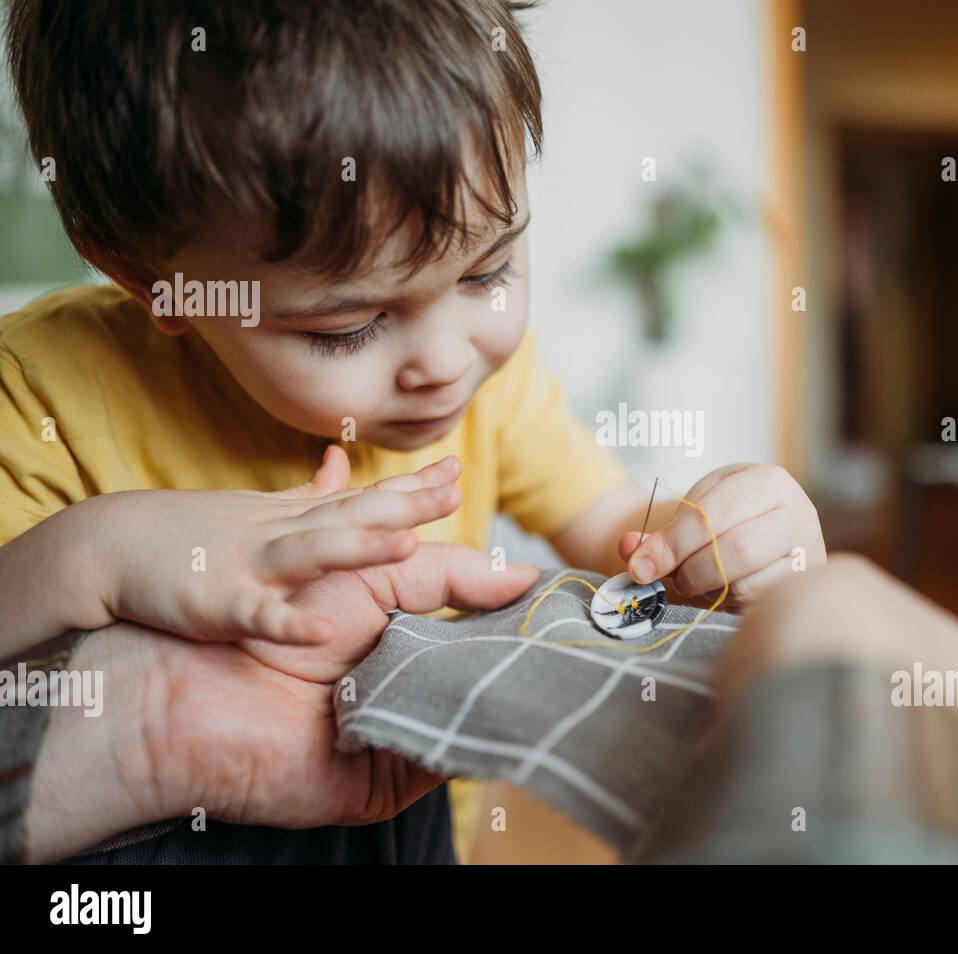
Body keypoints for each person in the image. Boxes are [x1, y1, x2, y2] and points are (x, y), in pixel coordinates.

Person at [0, 0, 825, 862]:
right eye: (348, 327)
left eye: (489, 271)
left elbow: (633, 550)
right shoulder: (38, 397)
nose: (445, 360)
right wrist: (93, 554)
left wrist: (727, 543)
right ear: (145, 278)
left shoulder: (493, 395)